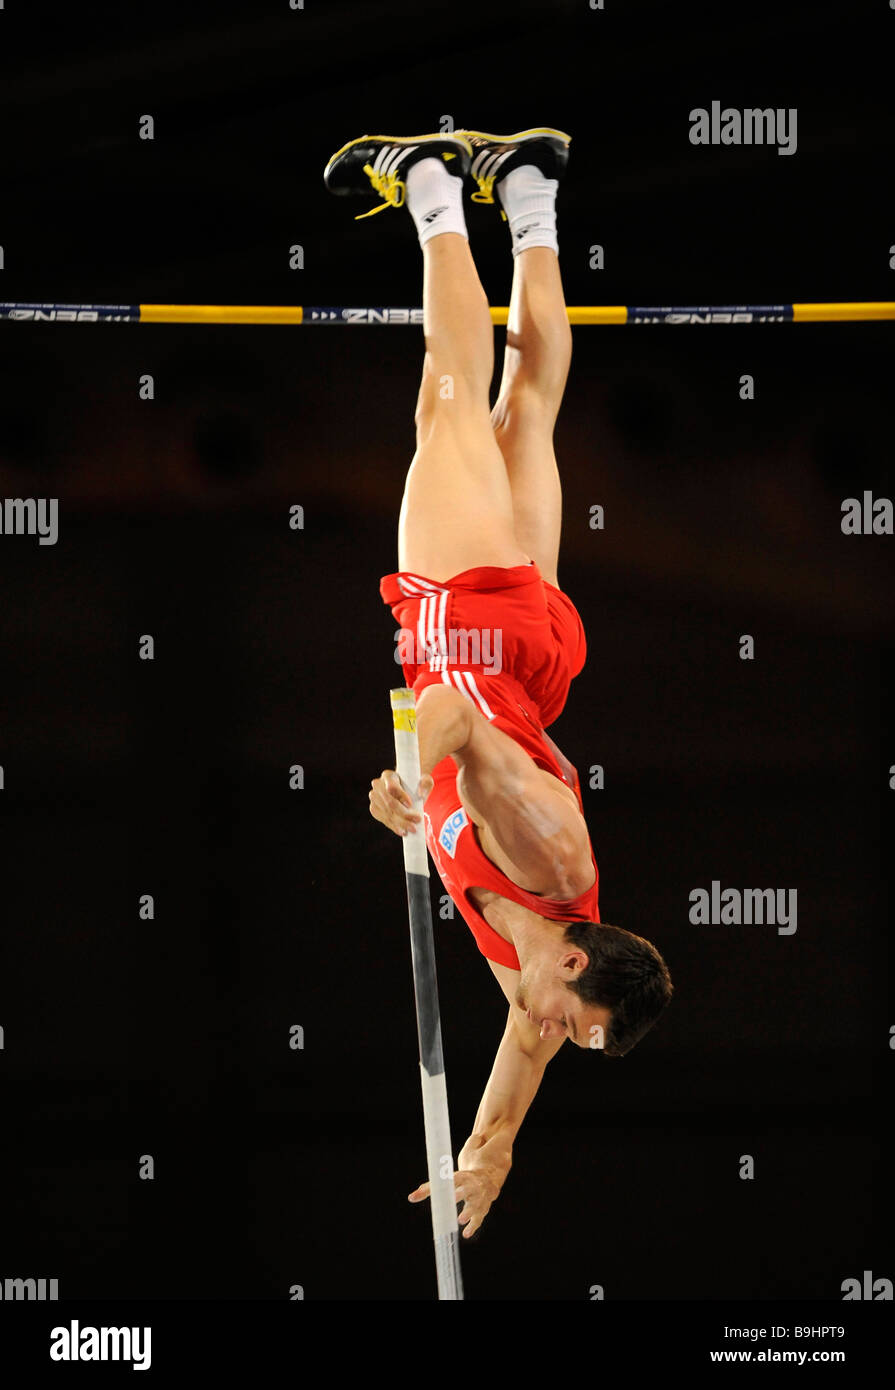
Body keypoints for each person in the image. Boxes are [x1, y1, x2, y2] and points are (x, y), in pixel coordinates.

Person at [325, 127, 673, 1240]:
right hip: (473, 636)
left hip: (536, 655)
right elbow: (455, 719)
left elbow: (513, 1090)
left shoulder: (537, 969)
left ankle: (527, 192)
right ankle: (429, 182)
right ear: (576, 963)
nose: (553, 1037)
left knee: (527, 406)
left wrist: (488, 1154)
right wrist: (406, 782)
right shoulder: (546, 856)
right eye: (577, 1025)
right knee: (448, 395)